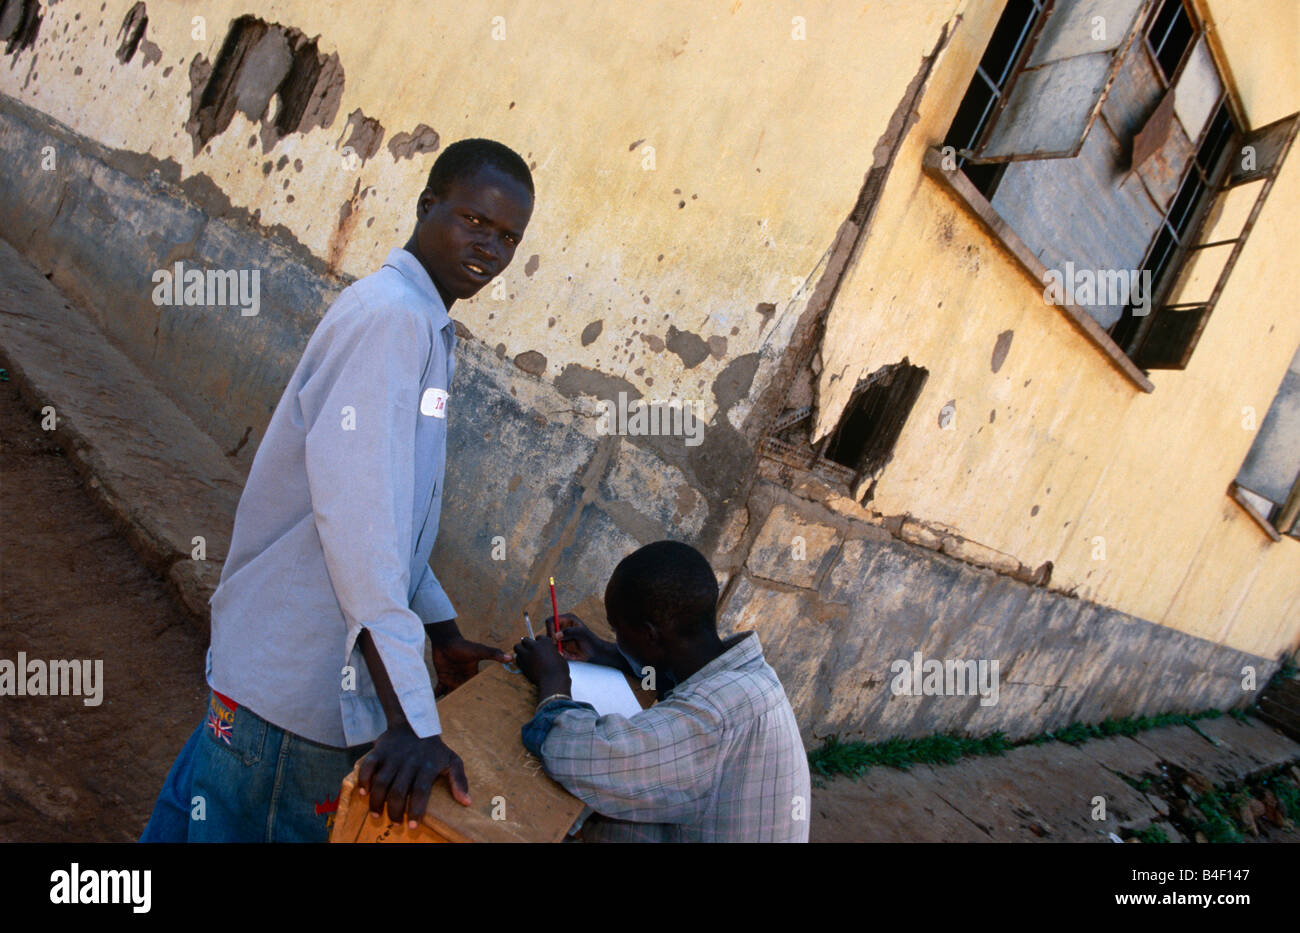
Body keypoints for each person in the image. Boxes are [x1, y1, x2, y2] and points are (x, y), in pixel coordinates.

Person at [140, 138, 535, 842]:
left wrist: (440, 631)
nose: (491, 248)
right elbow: (359, 528)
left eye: (508, 236)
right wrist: (413, 720)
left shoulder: (420, 322)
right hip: (297, 697)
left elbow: (393, 511)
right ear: (427, 207)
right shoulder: (392, 321)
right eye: (475, 221)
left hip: (260, 678)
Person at [513, 541, 811, 842]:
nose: (615, 637)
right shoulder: (746, 676)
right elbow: (681, 684)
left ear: (650, 635)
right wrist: (611, 654)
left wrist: (552, 679)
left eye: (618, 630)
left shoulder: (715, 716)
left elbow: (577, 755)